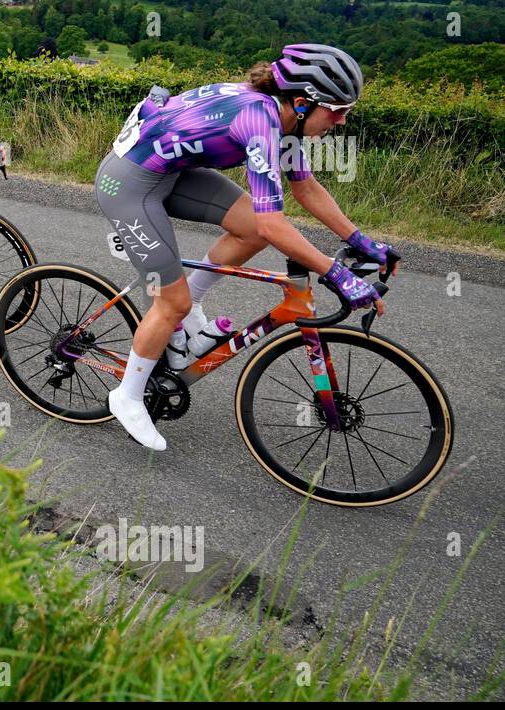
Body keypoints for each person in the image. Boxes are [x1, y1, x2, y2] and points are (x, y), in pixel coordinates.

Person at [95, 43, 398, 451]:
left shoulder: (286, 120)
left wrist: (363, 242)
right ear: (304, 102)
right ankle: (128, 397)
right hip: (129, 186)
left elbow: (303, 188)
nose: (341, 121)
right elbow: (277, 225)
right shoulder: (260, 121)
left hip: (172, 172)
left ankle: (192, 306)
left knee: (249, 230)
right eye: (338, 110)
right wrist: (336, 272)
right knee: (172, 303)